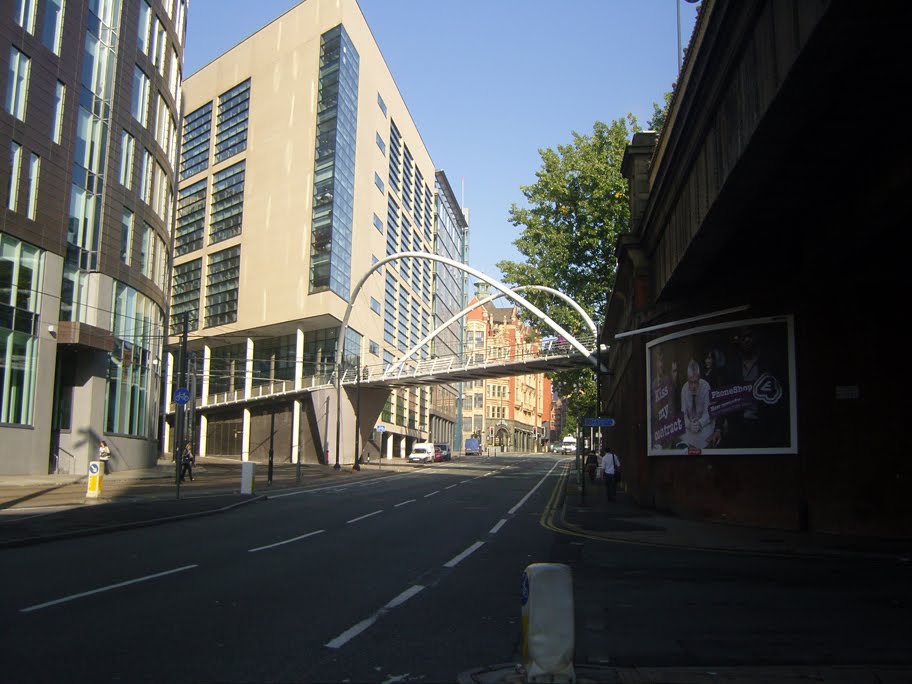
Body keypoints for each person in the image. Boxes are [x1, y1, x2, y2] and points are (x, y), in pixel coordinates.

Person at [680, 359, 716, 449]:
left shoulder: (706, 387)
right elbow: (683, 414)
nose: (693, 386)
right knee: (682, 437)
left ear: (699, 378)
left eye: (695, 382)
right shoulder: (684, 389)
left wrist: (700, 423)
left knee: (706, 440)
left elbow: (708, 413)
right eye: (690, 382)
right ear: (687, 379)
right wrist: (689, 424)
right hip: (690, 427)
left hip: (703, 426)